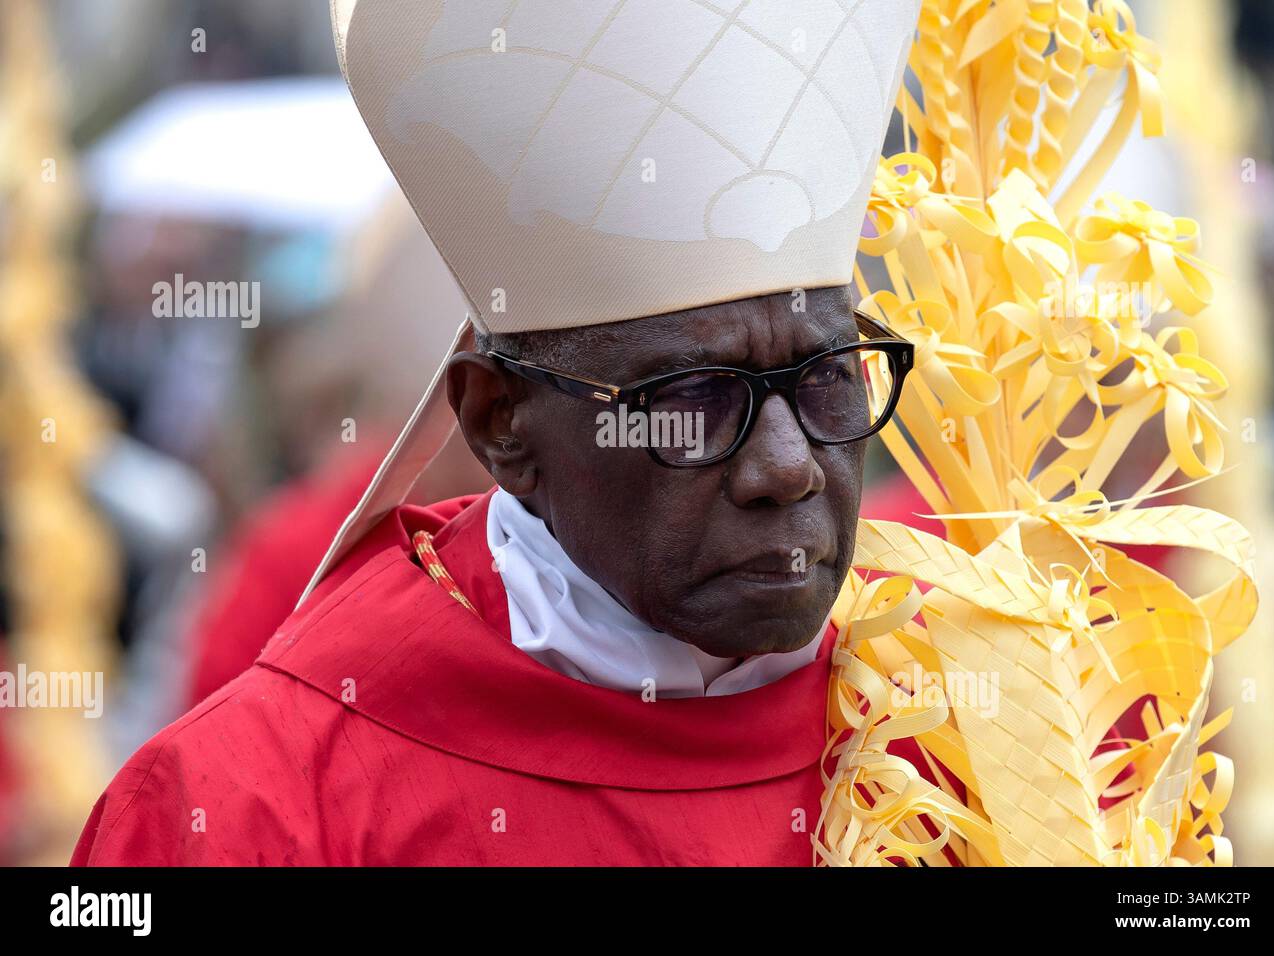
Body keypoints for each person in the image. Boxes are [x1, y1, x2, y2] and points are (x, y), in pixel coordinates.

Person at [73, 0, 925, 865]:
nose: (787, 467)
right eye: (696, 399)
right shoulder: (253, 807)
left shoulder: (960, 721)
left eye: (825, 378)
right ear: (499, 422)